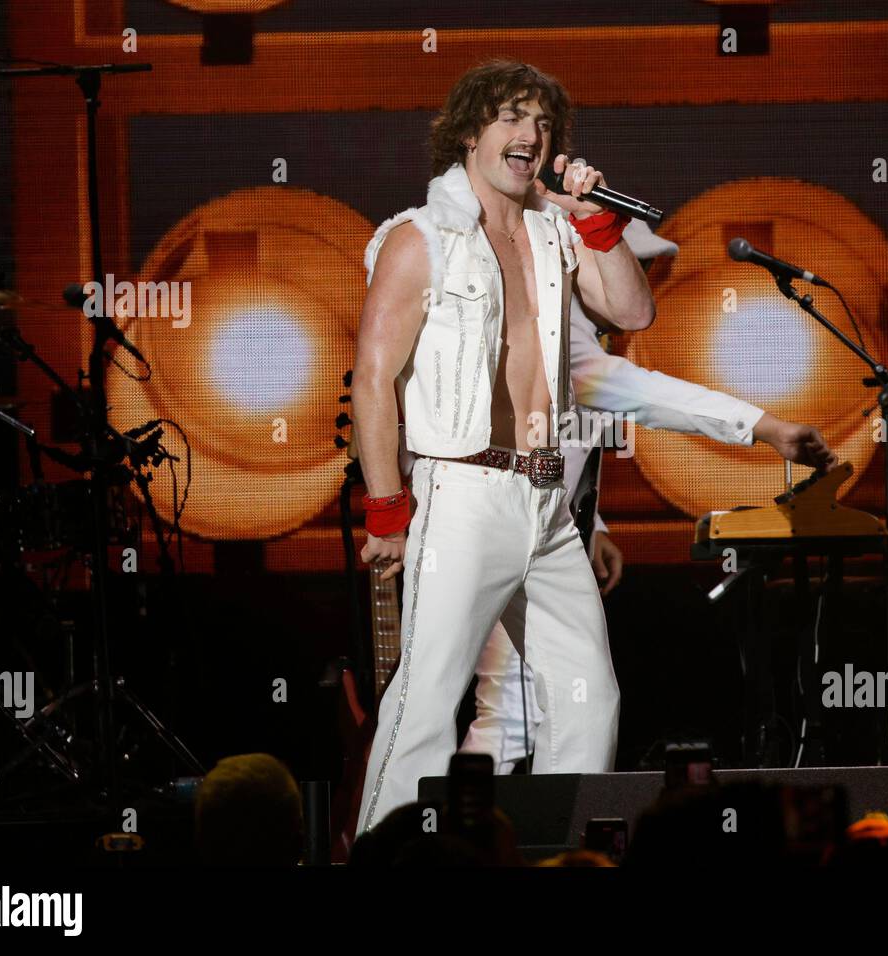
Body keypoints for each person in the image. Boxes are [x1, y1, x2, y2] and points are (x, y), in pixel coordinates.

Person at [350, 59, 656, 833]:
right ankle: (383, 860)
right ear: (468, 134)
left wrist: (596, 217)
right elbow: (373, 378)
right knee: (426, 704)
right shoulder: (420, 239)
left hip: (547, 503)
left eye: (543, 122)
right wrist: (387, 509)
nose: (531, 135)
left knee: (589, 697)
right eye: (512, 118)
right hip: (463, 495)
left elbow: (633, 310)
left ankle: (563, 852)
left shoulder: (556, 230)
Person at [462, 218, 839, 772]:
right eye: (631, 267)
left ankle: (532, 837)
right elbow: (639, 394)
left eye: (643, 270)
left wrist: (596, 527)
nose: (638, 282)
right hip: (502, 544)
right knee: (516, 714)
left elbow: (557, 448)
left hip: (522, 541)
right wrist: (766, 427)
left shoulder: (571, 334)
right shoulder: (558, 336)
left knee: (555, 709)